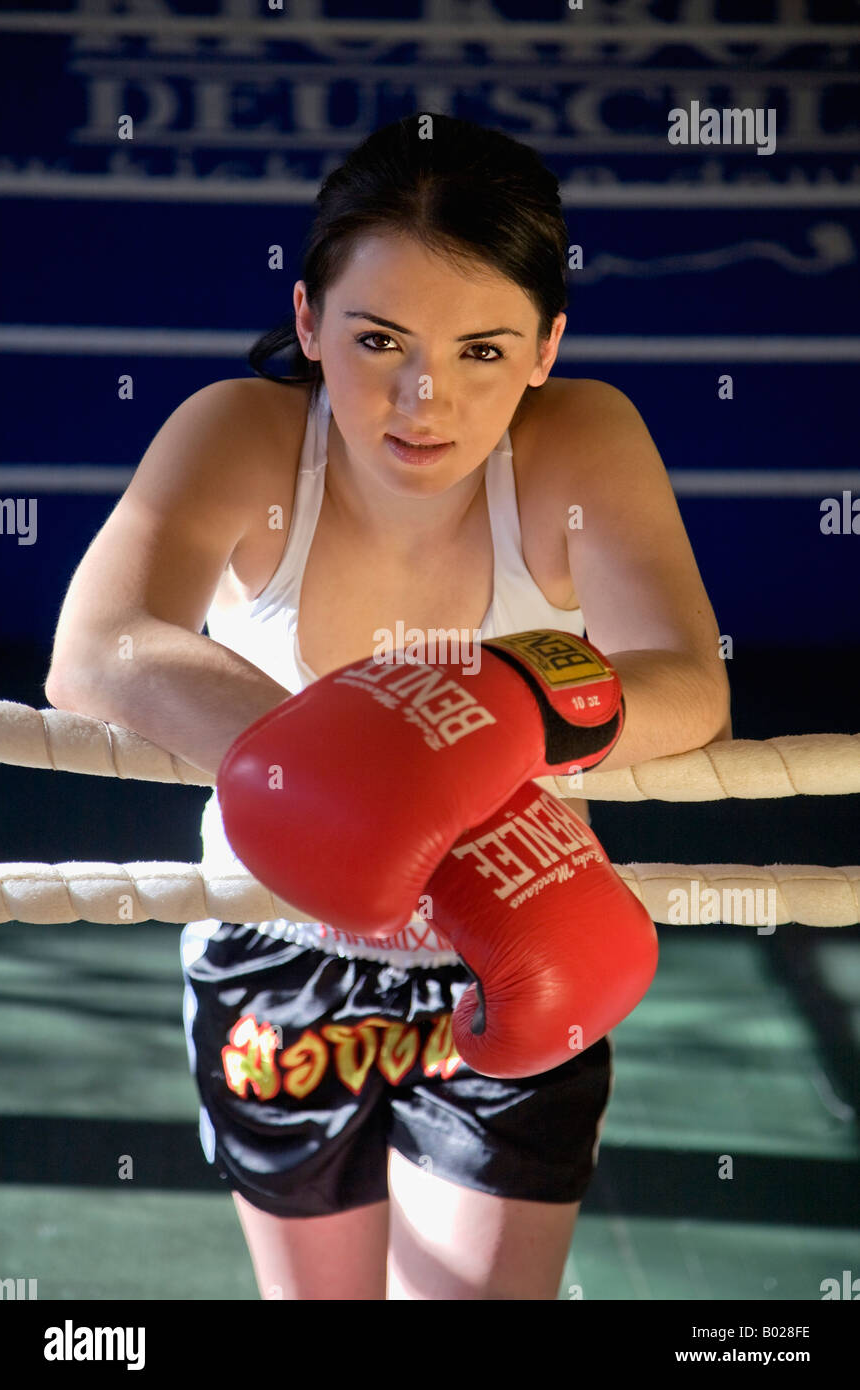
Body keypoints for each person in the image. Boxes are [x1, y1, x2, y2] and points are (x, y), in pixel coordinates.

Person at [44, 112, 731, 1300]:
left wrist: (502, 707)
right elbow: (94, 650)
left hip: (509, 927)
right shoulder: (240, 434)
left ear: (543, 348)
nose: (426, 396)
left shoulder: (583, 439)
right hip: (275, 939)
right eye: (378, 339)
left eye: (481, 349)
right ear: (309, 321)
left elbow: (688, 677)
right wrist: (364, 779)